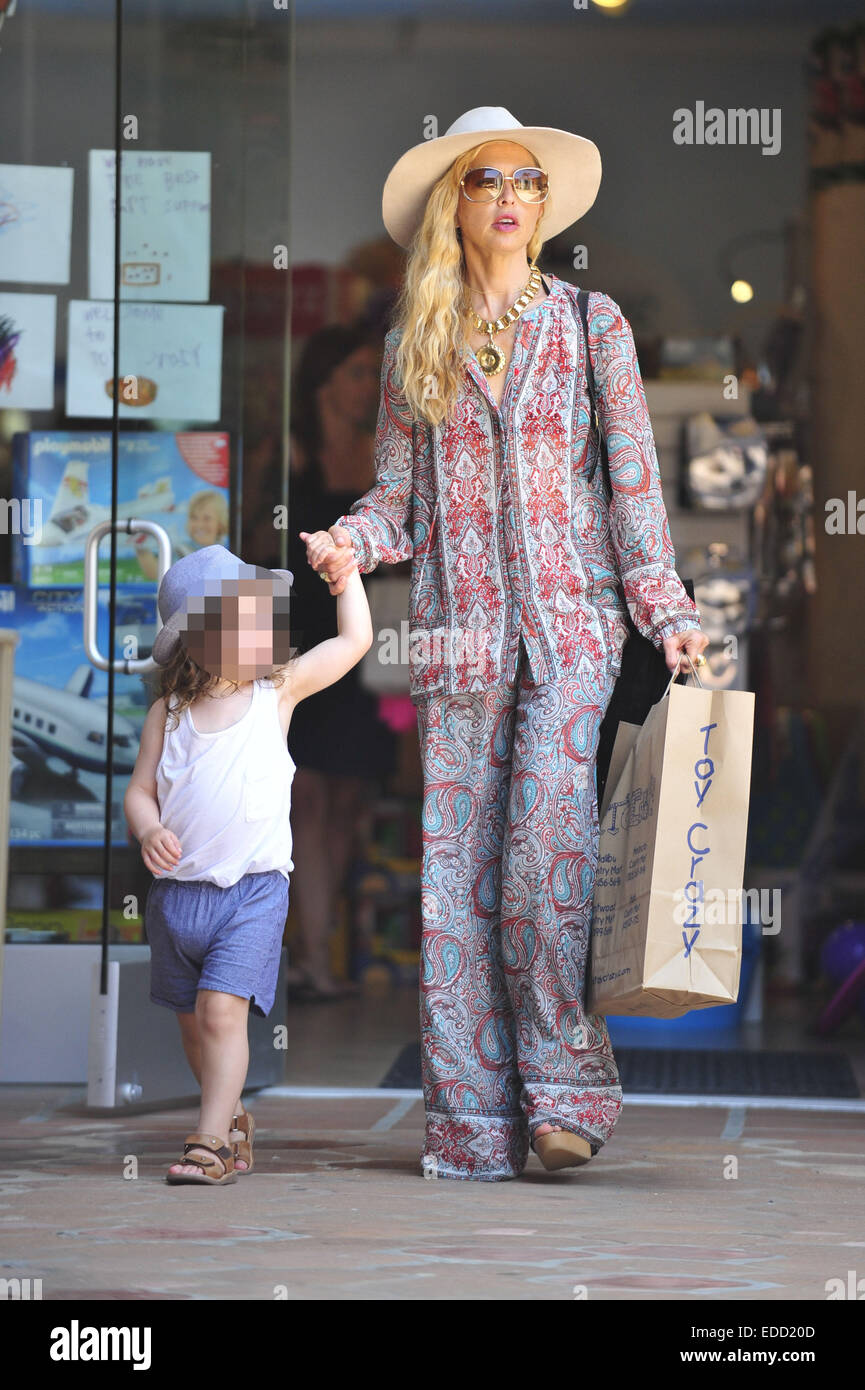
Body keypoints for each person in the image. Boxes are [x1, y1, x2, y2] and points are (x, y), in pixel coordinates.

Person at [303, 106, 710, 1182]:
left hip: (574, 634)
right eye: (488, 177)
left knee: (541, 863)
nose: (511, 194)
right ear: (457, 202)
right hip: (459, 642)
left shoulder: (592, 325)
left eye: (527, 179)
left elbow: (634, 489)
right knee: (455, 885)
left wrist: (665, 614)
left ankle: (566, 1093)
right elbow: (398, 503)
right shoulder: (413, 341)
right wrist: (348, 542)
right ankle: (473, 1124)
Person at [123, 543, 372, 1185]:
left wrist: (346, 578)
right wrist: (148, 827)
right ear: (192, 641)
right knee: (193, 1027)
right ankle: (229, 1116)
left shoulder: (276, 695)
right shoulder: (167, 715)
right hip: (177, 900)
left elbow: (353, 641)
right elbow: (140, 790)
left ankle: (210, 1143)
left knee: (220, 1013)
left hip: (253, 894)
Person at [286, 326, 397, 1000]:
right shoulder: (289, 459)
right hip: (299, 642)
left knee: (348, 800)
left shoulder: (386, 458)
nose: (367, 386)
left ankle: (321, 950)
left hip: (367, 643)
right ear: (323, 380)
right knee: (305, 795)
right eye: (356, 373)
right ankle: (312, 961)